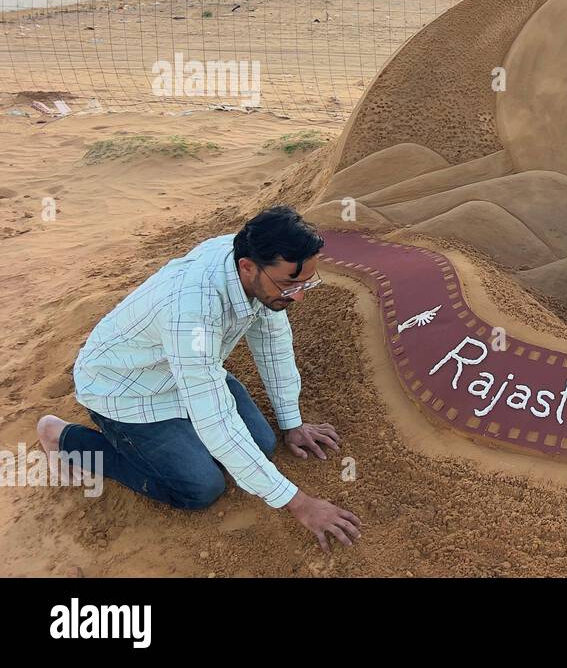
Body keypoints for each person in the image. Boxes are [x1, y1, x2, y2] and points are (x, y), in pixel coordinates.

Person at [37, 206, 360, 552]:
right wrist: (300, 504)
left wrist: (292, 422)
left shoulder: (250, 258)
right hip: (128, 391)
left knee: (263, 445)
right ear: (248, 267)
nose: (298, 295)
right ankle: (63, 436)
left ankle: (184, 438)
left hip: (185, 371)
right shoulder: (193, 312)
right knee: (200, 487)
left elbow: (273, 344)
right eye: (289, 284)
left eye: (305, 282)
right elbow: (215, 419)